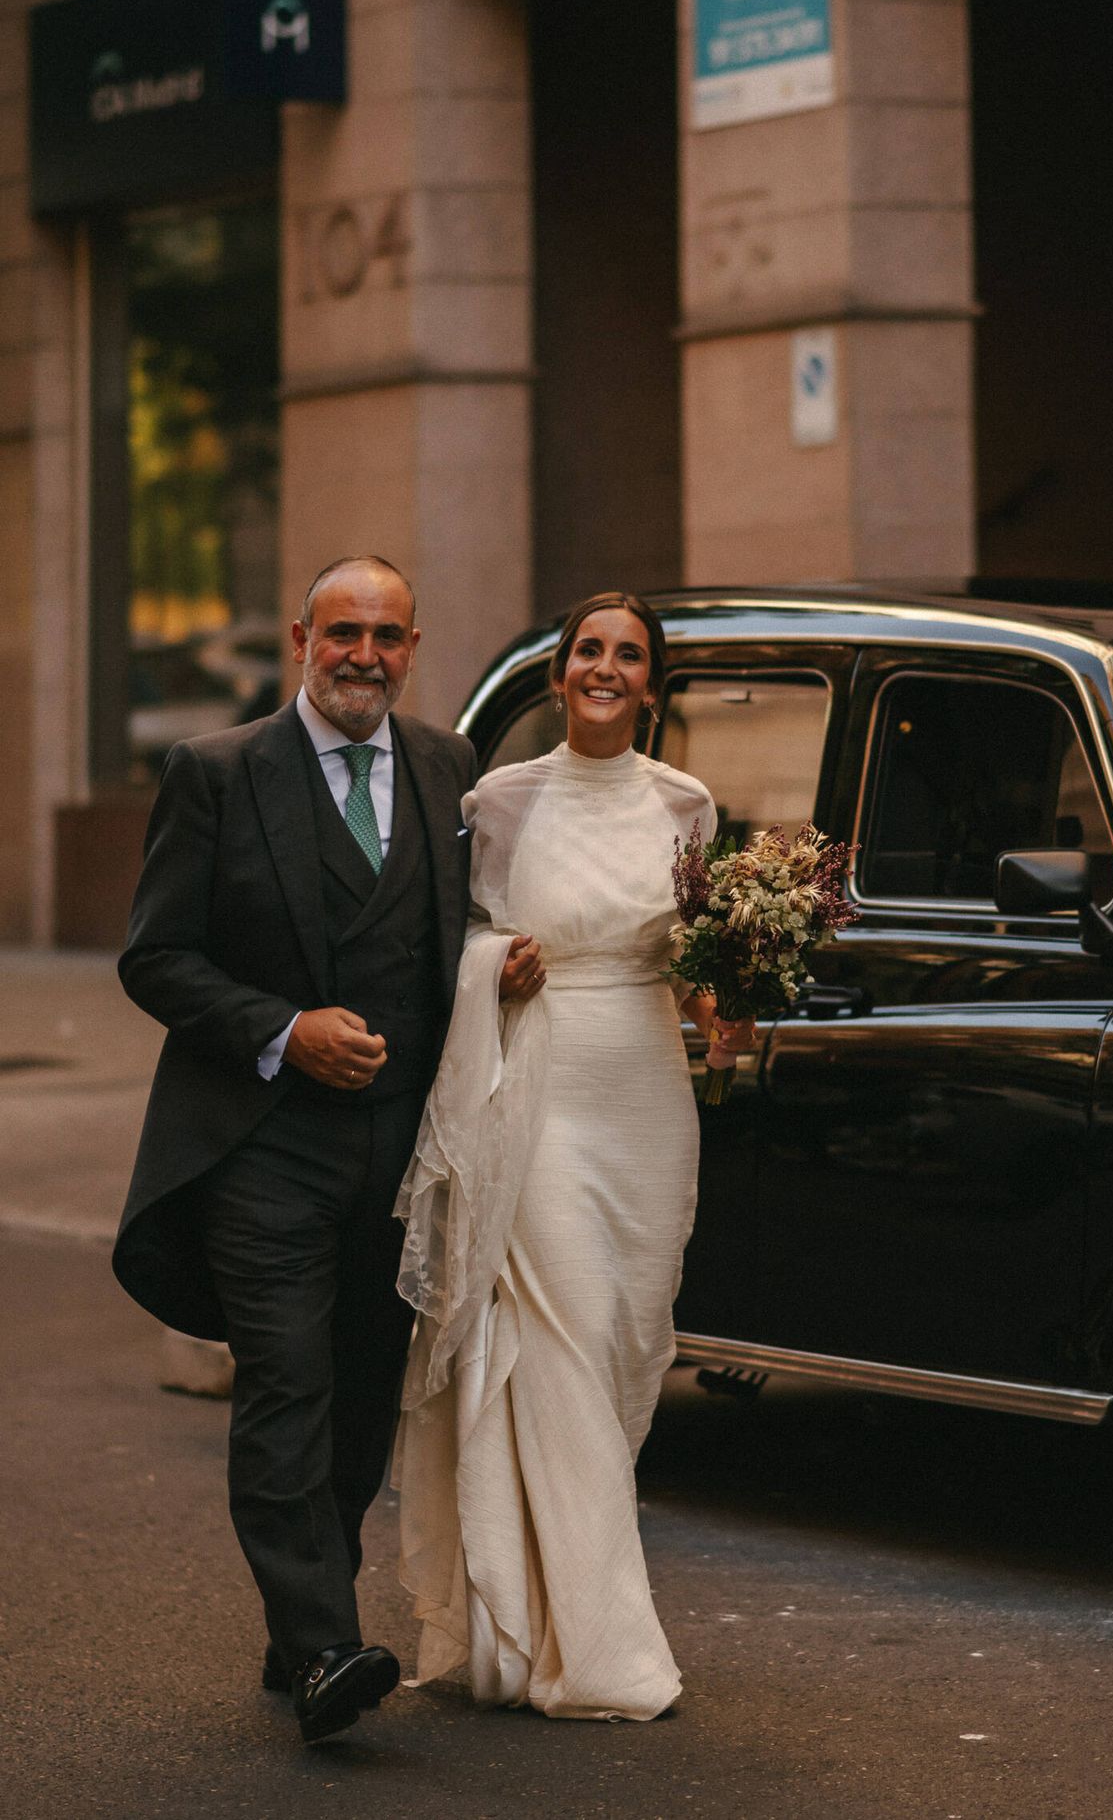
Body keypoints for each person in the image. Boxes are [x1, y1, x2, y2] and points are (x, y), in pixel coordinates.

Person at [114, 556, 479, 1744]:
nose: (363, 655)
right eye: (341, 634)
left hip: (400, 1148)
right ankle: (326, 1646)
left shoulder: (445, 766)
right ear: (299, 639)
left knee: (364, 1396)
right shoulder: (216, 772)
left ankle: (294, 1622)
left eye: (385, 635)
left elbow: (452, 937)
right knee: (287, 1382)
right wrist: (281, 1029)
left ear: (412, 646)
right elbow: (155, 957)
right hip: (262, 1143)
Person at [393, 590, 753, 1718]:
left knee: (626, 1344)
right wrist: (490, 967)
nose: (605, 668)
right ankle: (589, 1646)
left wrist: (729, 1006)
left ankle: (547, 1603)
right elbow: (444, 942)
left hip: (646, 1092)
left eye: (627, 655)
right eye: (587, 651)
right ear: (560, 677)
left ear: (653, 682)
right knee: (558, 1334)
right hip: (535, 1093)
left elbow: (691, 965)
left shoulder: (688, 806)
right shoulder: (497, 799)